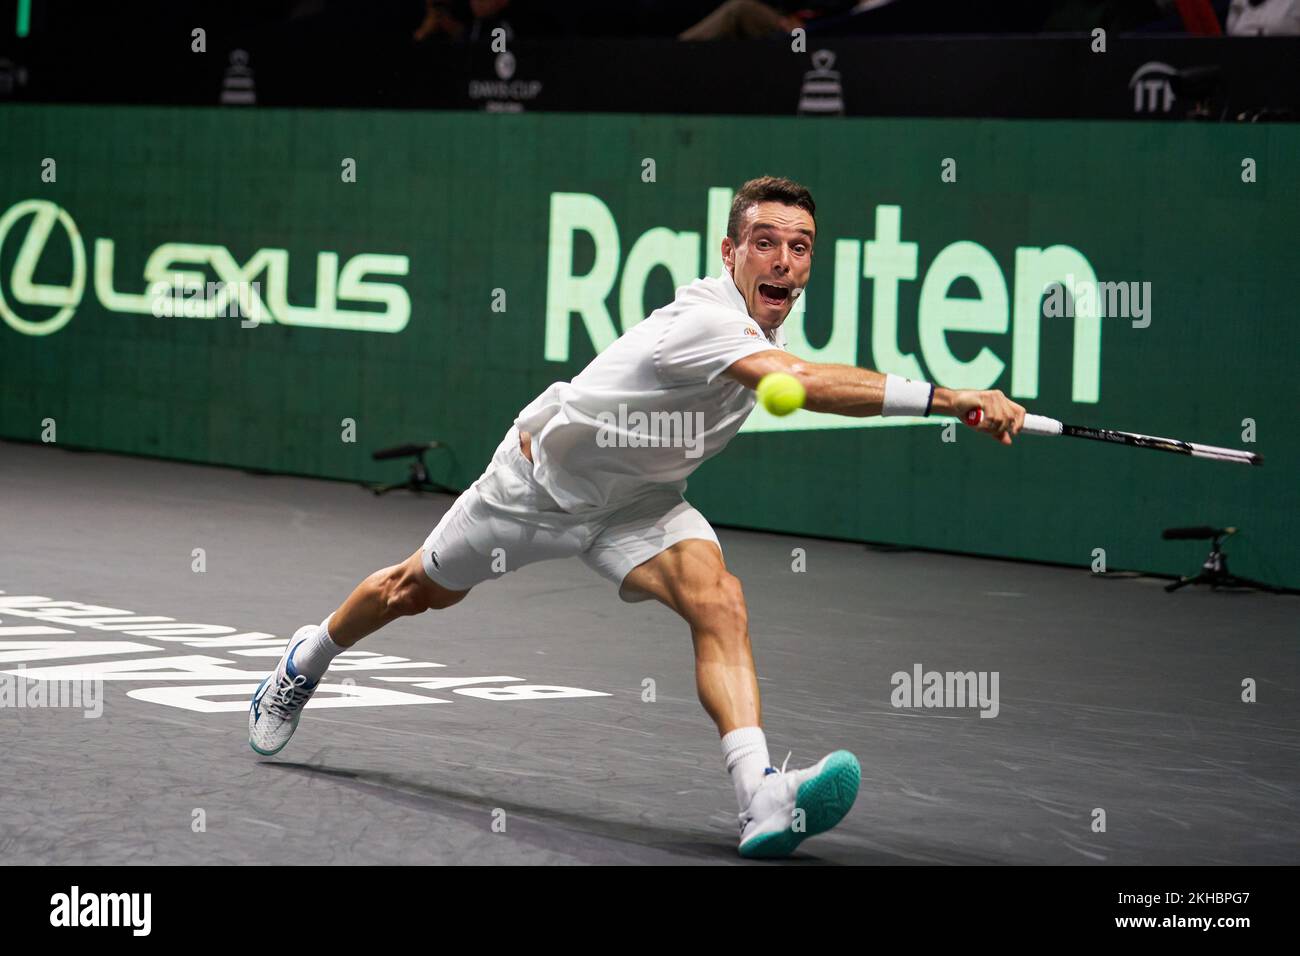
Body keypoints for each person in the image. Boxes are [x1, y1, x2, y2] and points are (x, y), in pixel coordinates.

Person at [248, 176, 1027, 858]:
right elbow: (803, 382)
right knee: (415, 589)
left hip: (641, 506)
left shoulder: (763, 327)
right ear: (730, 253)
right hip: (534, 491)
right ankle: (303, 662)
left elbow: (795, 371)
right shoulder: (704, 319)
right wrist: (948, 398)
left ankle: (760, 795)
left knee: (719, 600)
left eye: (800, 246)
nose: (783, 259)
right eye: (764, 242)